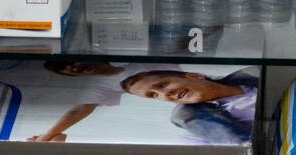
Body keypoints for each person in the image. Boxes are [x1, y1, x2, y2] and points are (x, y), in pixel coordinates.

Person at [27, 62, 257, 144]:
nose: (72, 68)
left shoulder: (248, 75)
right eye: (154, 96)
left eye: (163, 86)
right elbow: (80, 110)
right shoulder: (192, 117)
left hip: (211, 83)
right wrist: (48, 136)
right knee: (184, 113)